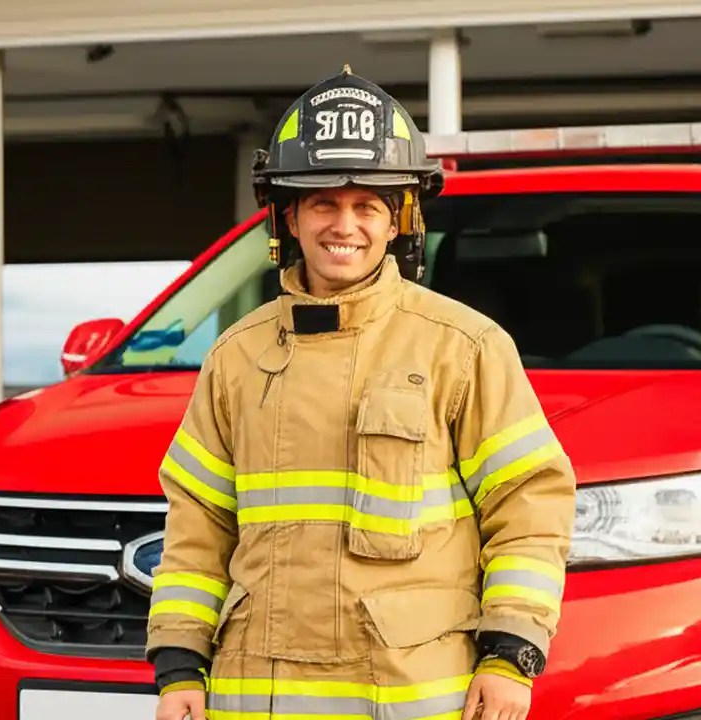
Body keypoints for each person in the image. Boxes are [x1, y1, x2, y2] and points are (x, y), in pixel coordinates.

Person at [146, 65, 578, 720]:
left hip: (411, 694)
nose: (343, 224)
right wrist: (180, 665)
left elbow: (529, 505)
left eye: (366, 206)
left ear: (398, 220)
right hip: (255, 696)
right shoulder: (235, 358)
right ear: (290, 217)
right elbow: (198, 525)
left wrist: (510, 654)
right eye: (323, 203)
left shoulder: (463, 347)